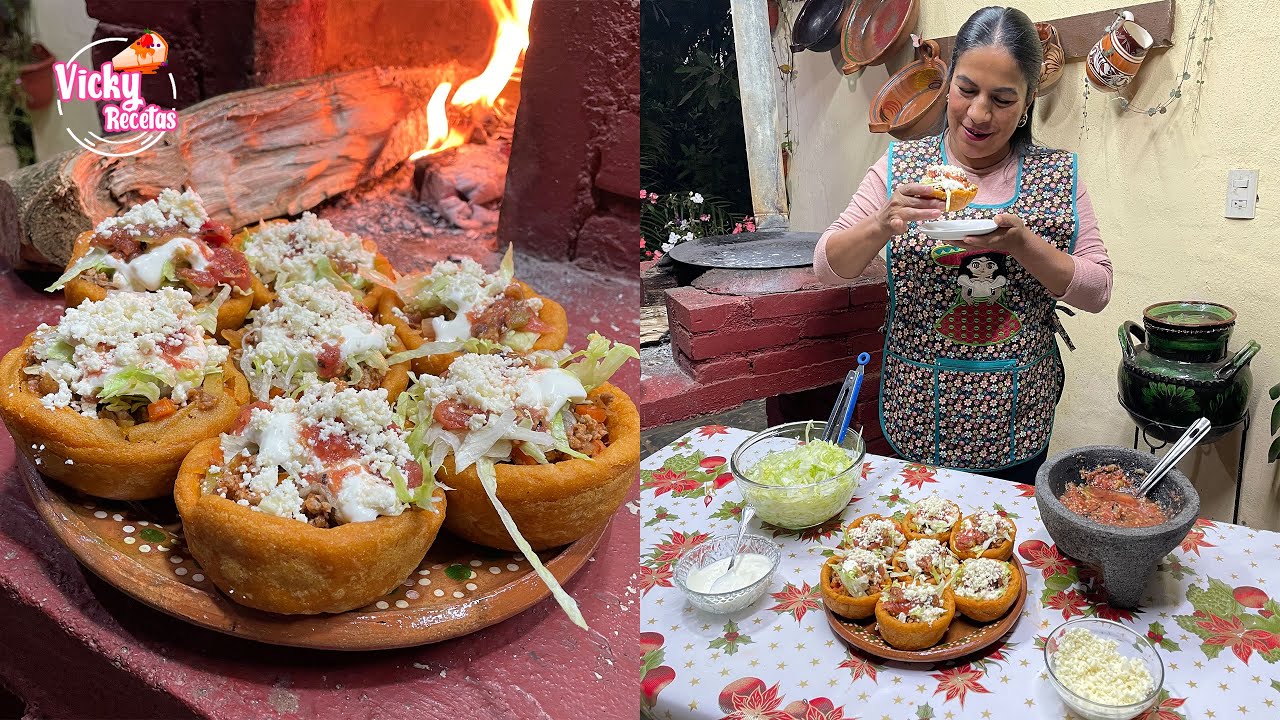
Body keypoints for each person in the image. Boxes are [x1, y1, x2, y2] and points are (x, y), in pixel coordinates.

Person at [812, 6, 1113, 483]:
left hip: (1016, 410)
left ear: (1028, 101)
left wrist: (1022, 245)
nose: (978, 114)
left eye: (1002, 98)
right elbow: (828, 267)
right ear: (948, 81)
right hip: (917, 404)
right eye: (967, 90)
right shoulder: (900, 167)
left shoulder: (1058, 176)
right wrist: (881, 223)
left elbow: (1097, 290)